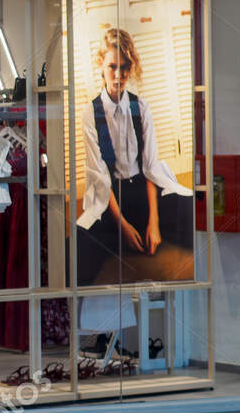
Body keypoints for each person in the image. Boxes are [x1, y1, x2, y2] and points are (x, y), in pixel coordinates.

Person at [75, 26, 193, 285]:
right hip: (112, 199)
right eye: (112, 67)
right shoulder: (90, 113)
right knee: (79, 241)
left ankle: (149, 236)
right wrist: (124, 227)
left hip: (142, 191)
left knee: (189, 208)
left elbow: (150, 168)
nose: (119, 75)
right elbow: (102, 177)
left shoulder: (142, 107)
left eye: (125, 66)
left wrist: (155, 222)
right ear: (101, 66)